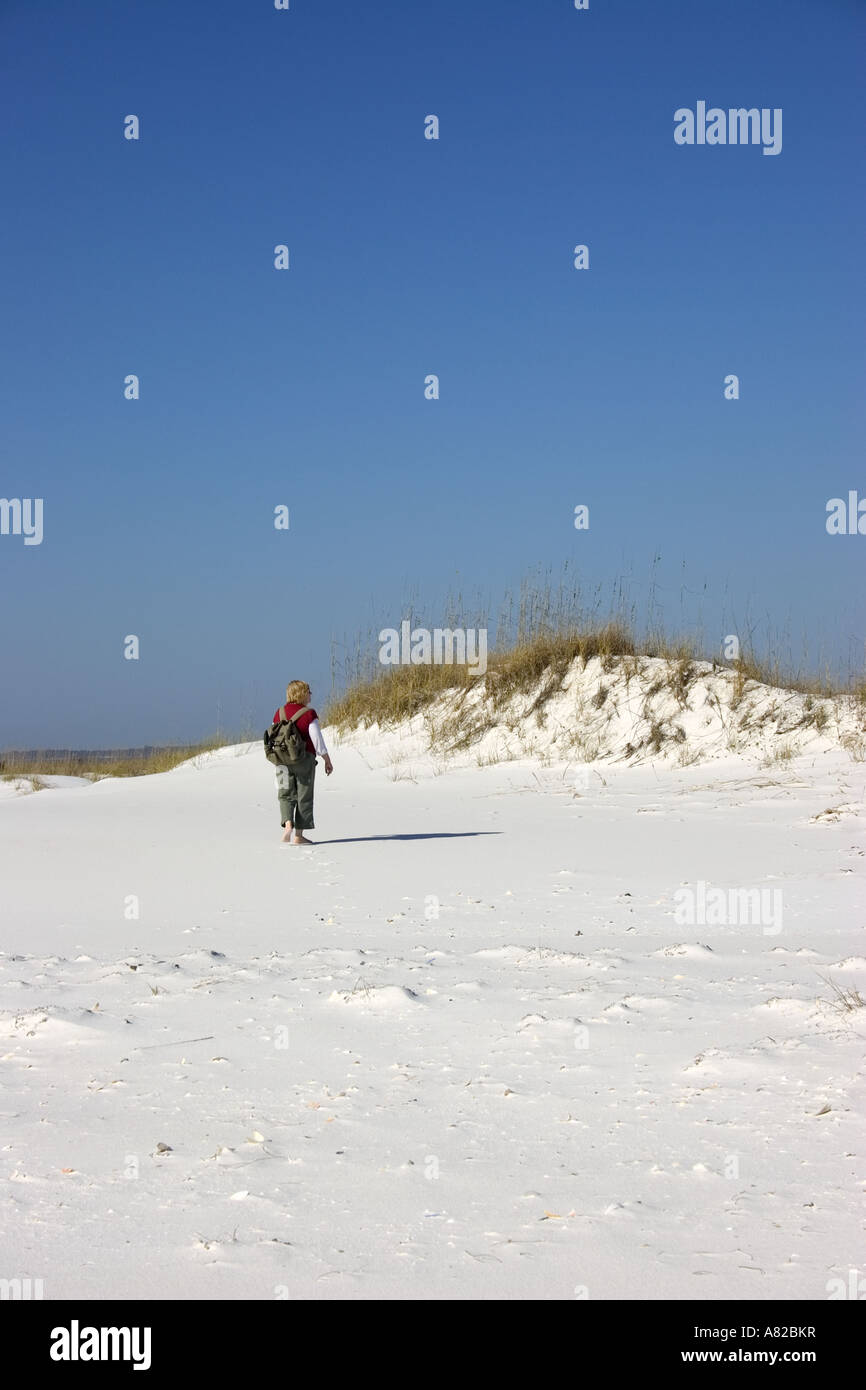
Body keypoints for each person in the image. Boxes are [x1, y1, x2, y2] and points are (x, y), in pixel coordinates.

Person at [273, 680, 333, 845]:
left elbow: (274, 736)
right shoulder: (308, 714)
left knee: (285, 793)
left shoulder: (279, 713)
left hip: (282, 761)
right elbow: (317, 739)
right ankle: (299, 835)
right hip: (303, 760)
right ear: (302, 694)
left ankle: (287, 826)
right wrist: (327, 760)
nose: (310, 695)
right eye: (308, 691)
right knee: (304, 796)